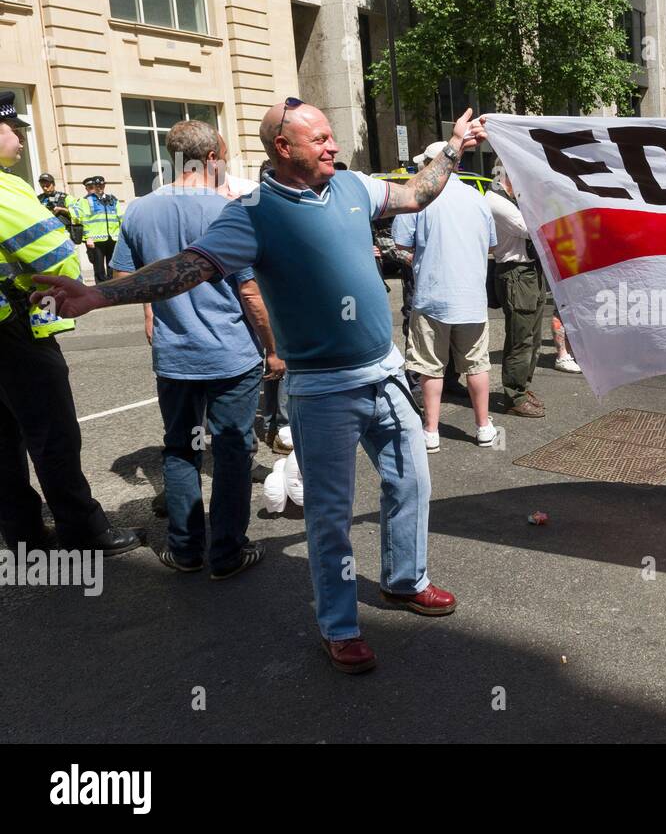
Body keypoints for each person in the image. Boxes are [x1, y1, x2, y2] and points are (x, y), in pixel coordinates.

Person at [35, 99, 484, 674]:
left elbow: (416, 193)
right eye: (319, 139)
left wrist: (452, 147)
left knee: (410, 481)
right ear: (283, 148)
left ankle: (405, 580)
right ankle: (340, 627)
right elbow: (186, 267)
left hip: (385, 371)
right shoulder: (251, 215)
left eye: (330, 135)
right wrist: (99, 294)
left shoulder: (352, 187)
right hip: (323, 390)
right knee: (329, 514)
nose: (332, 146)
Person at [111, 120, 284, 578]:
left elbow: (126, 282)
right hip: (231, 353)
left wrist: (155, 315)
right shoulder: (233, 210)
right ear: (211, 158)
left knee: (180, 448)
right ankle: (226, 553)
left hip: (176, 355)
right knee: (231, 450)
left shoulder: (139, 210)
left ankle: (186, 550)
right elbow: (251, 295)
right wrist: (272, 349)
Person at [0, 90, 141, 556]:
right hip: (15, 331)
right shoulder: (4, 188)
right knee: (52, 433)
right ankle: (84, 533)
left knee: (3, 440)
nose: (21, 139)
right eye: (13, 130)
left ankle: (21, 531)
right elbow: (55, 257)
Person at [392, 156, 497, 451]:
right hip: (471, 297)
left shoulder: (418, 197)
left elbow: (401, 244)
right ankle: (484, 427)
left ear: (431, 164)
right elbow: (491, 245)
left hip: (431, 297)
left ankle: (431, 431)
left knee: (430, 367)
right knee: (477, 364)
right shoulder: (476, 199)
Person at [486, 164, 546, 417]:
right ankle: (514, 395)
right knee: (520, 339)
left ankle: (522, 386)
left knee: (533, 337)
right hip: (516, 272)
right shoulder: (496, 200)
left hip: (531, 271)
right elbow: (530, 229)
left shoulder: (515, 197)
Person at [72, 175, 123, 283]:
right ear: (93, 186)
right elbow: (82, 220)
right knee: (99, 269)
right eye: (97, 185)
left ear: (104, 185)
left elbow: (121, 217)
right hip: (95, 240)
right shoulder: (85, 201)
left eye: (101, 185)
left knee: (112, 267)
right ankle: (100, 293)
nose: (99, 187)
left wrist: (122, 236)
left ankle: (112, 291)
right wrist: (88, 238)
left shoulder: (112, 199)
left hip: (113, 238)